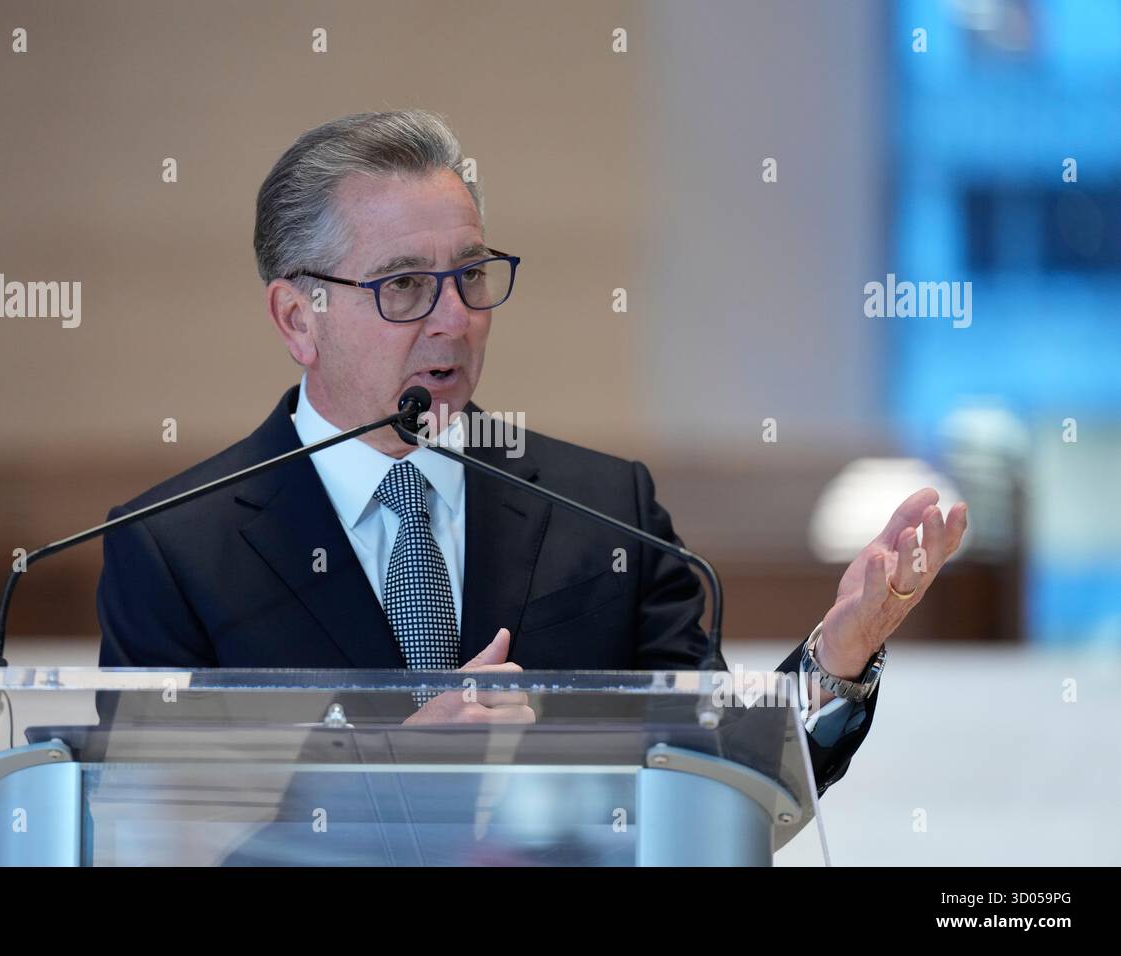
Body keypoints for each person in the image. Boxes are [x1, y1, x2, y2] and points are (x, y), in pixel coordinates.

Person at [97, 110, 968, 793]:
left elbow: (721, 781)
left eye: (471, 276)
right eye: (405, 285)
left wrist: (839, 654)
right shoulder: (177, 548)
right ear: (297, 318)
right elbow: (154, 829)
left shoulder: (604, 512)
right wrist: (382, 776)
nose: (455, 319)